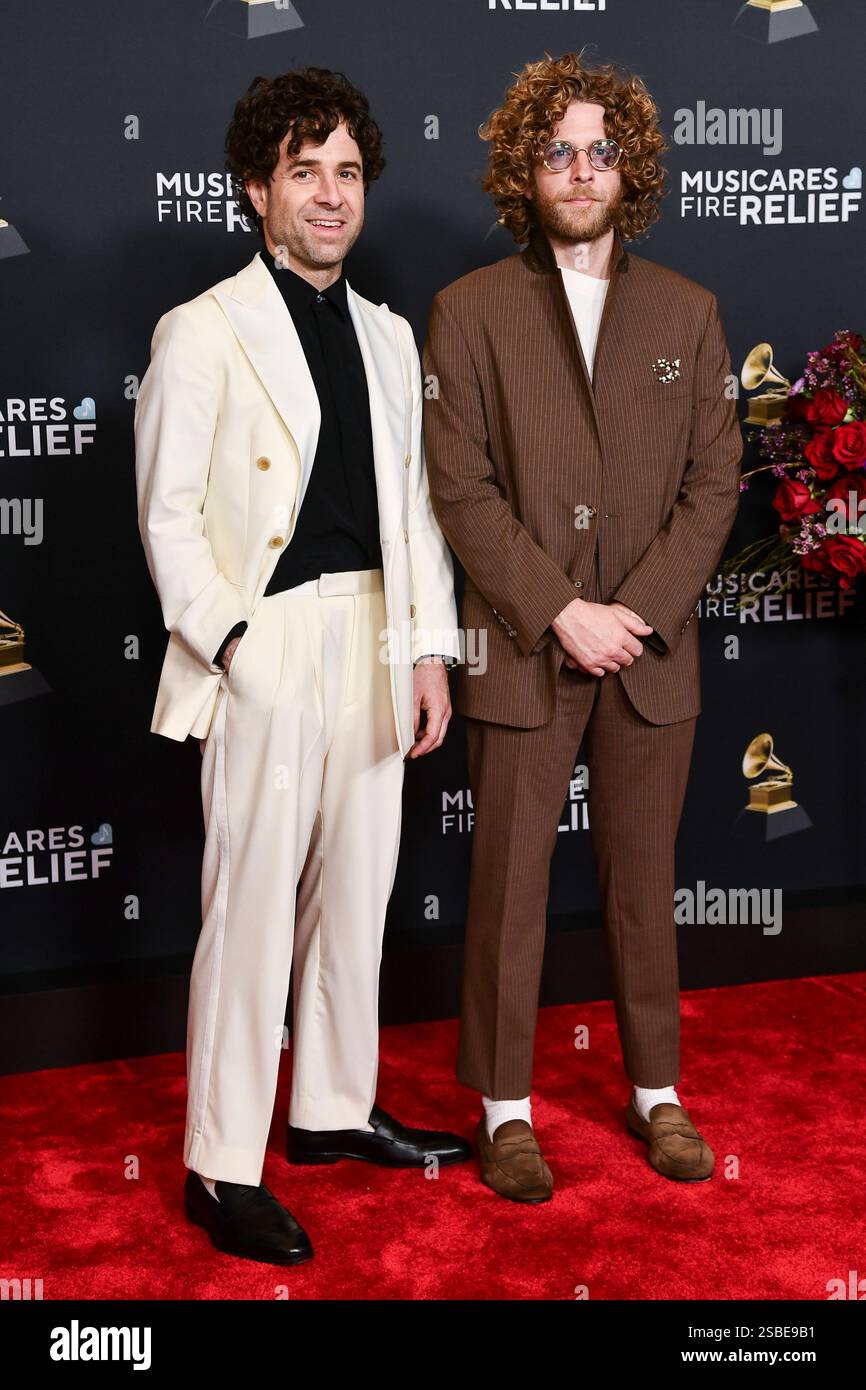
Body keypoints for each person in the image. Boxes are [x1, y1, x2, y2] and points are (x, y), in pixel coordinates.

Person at [134, 67, 467, 1265]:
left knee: (356, 893)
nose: (329, 197)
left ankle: (328, 1108)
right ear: (254, 191)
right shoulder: (203, 329)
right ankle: (220, 1164)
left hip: (376, 637)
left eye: (346, 174)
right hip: (265, 639)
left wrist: (430, 648)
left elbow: (418, 509)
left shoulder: (387, 335)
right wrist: (229, 642)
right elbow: (168, 517)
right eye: (303, 173)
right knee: (249, 909)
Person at [422, 51, 743, 1203]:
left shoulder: (688, 312)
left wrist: (633, 615)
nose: (579, 169)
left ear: (631, 170)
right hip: (520, 645)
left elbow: (715, 484)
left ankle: (655, 1089)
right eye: (555, 150)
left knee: (641, 882)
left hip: (647, 657)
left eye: (600, 150)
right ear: (524, 167)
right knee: (505, 883)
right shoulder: (466, 310)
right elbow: (457, 485)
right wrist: (559, 608)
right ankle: (504, 1108)